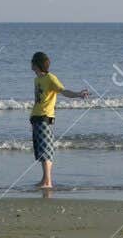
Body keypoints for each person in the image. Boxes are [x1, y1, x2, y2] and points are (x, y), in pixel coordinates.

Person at [29, 51, 90, 189]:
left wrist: (78, 94)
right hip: (36, 118)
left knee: (46, 149)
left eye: (32, 61)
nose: (30, 64)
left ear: (37, 64)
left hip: (45, 118)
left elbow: (63, 91)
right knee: (40, 150)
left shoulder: (51, 78)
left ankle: (48, 182)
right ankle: (44, 179)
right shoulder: (37, 79)